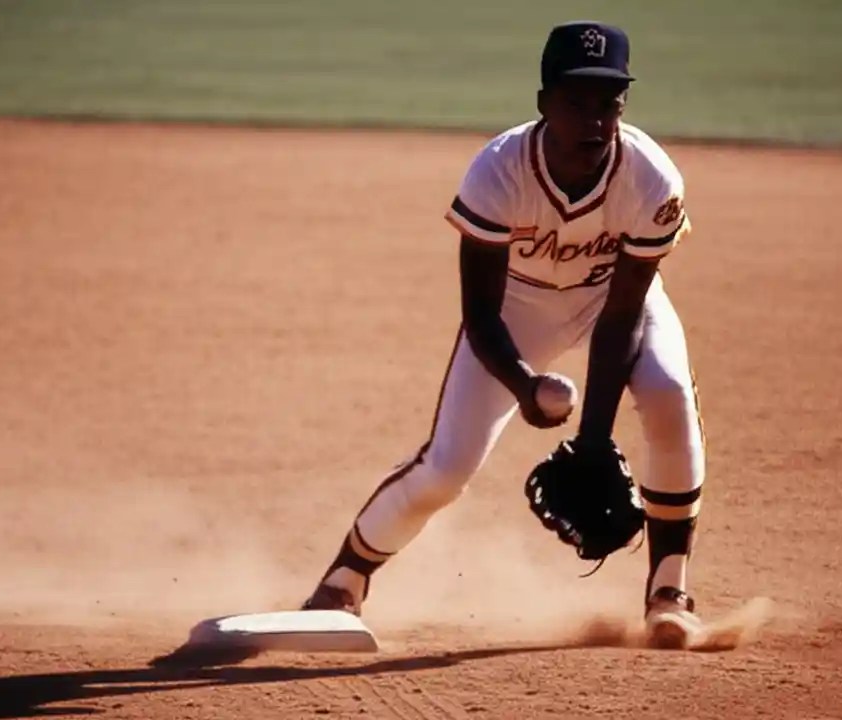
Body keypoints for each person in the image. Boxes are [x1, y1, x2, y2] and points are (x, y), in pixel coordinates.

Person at [302, 20, 708, 649]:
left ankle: (668, 593)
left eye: (609, 104)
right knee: (446, 468)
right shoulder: (498, 171)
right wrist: (524, 386)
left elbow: (623, 315)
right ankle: (342, 582)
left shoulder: (651, 178)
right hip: (516, 309)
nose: (595, 120)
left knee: (668, 394)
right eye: (576, 102)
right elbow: (481, 315)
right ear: (544, 102)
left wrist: (593, 438)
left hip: (611, 299)